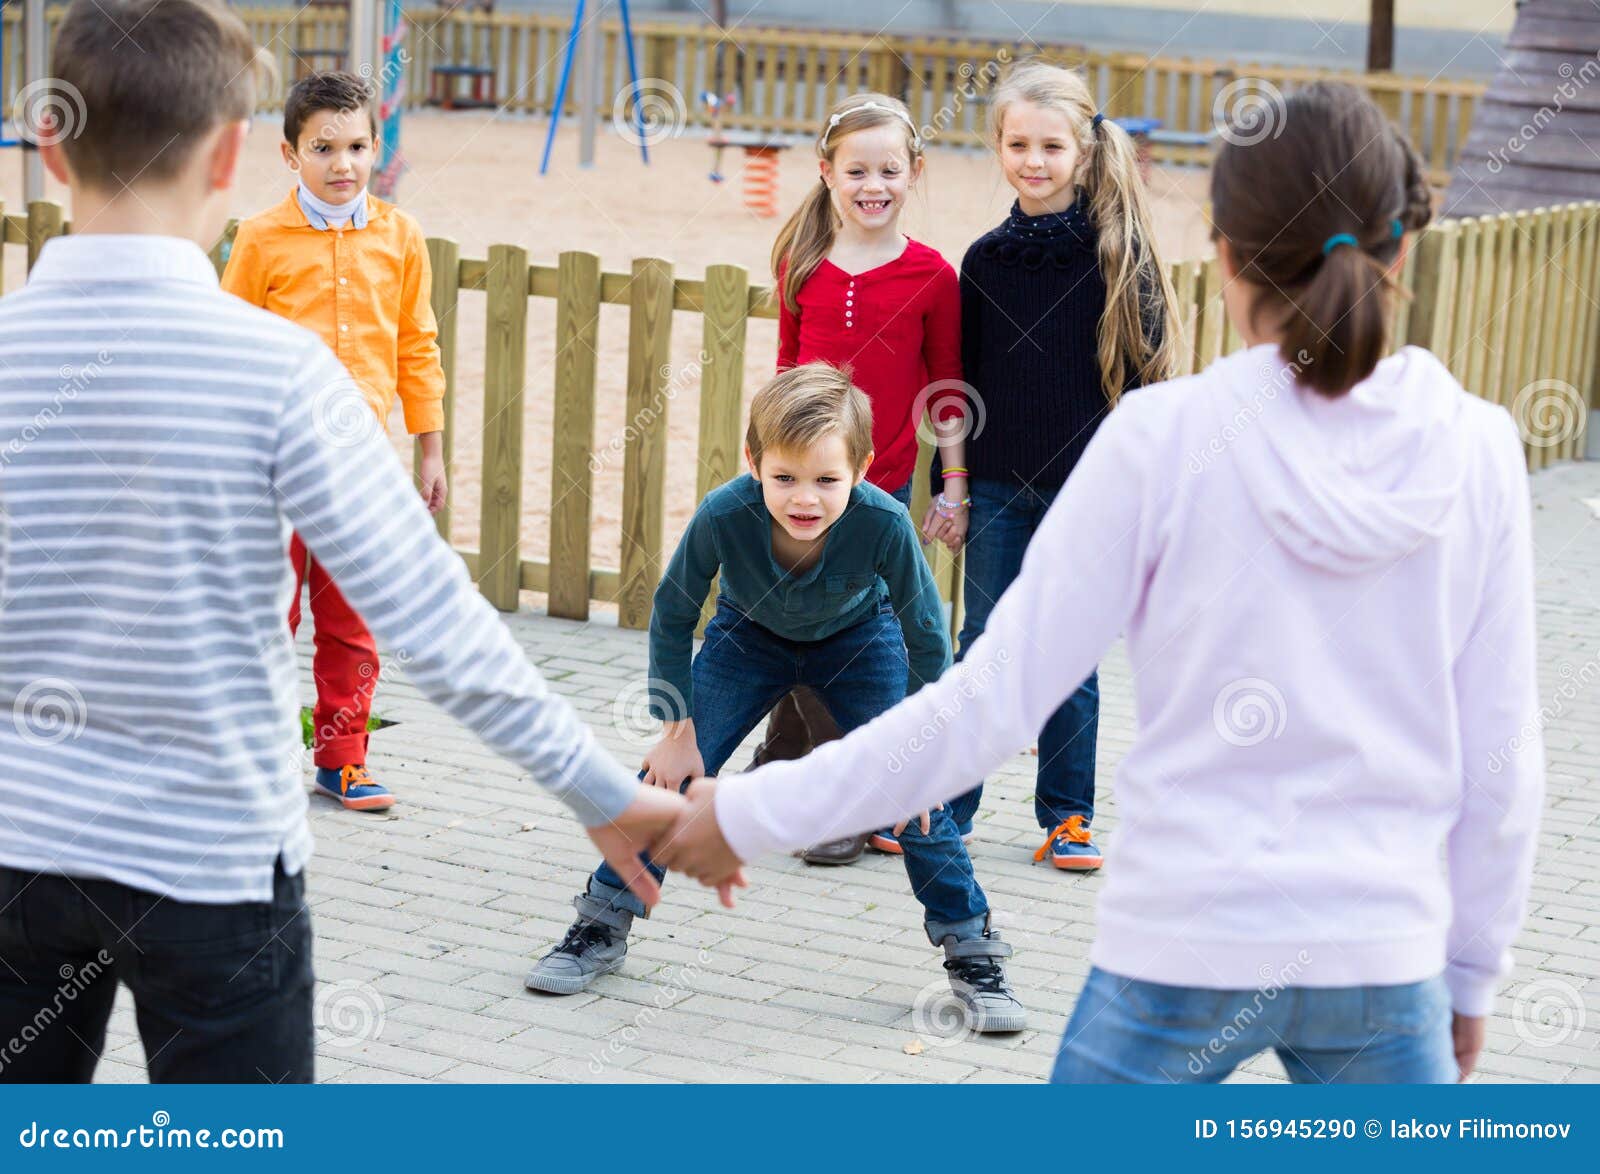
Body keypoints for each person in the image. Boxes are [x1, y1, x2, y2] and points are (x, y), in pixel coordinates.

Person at [656, 82, 1543, 1085]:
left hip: (1180, 957)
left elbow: (983, 704)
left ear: (1221, 249)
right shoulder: (1479, 448)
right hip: (1387, 965)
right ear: (1401, 249)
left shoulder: (1160, 441)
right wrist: (1473, 973)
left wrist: (739, 814)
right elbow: (1502, 761)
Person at [0, 0, 677, 1085]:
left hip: (17, 855)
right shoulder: (277, 372)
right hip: (210, 864)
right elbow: (435, 617)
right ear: (232, 151)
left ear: (50, 140)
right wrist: (603, 792)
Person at [526, 364, 1025, 1033]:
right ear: (753, 463)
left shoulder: (882, 523)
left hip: (859, 641)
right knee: (664, 784)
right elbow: (674, 613)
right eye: (784, 478)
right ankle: (600, 925)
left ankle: (974, 955)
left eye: (827, 480)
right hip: (746, 637)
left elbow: (926, 635)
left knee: (916, 797)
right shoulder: (724, 514)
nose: (805, 498)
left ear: (862, 467)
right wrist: (677, 731)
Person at [882, 60, 1179, 868]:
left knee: (1070, 656)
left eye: (1051, 145)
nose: (1034, 161)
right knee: (982, 645)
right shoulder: (983, 262)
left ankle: (1068, 816)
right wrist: (956, 487)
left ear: (1084, 152)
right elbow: (960, 385)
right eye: (1018, 144)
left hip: (1093, 495)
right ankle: (950, 804)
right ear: (997, 147)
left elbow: (1153, 393)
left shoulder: (1121, 255)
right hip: (1002, 489)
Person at [223, 70, 447, 813]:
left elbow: (417, 344)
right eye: (323, 148)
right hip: (270, 468)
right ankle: (243, 763)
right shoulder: (258, 239)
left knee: (352, 619)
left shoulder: (400, 236)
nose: (342, 163)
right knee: (266, 619)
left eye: (357, 145)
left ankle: (342, 762)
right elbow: (230, 345)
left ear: (375, 147)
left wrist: (430, 446)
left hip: (359, 471)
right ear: (290, 154)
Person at [758, 91, 972, 862]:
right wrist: (765, 473)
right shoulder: (803, 266)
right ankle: (792, 766)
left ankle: (843, 799)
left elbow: (946, 386)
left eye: (888, 169)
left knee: (855, 638)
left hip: (877, 487)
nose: (871, 184)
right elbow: (784, 375)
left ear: (914, 171)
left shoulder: (930, 276)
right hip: (801, 487)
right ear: (826, 173)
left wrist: (954, 486)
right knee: (792, 619)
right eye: (856, 170)